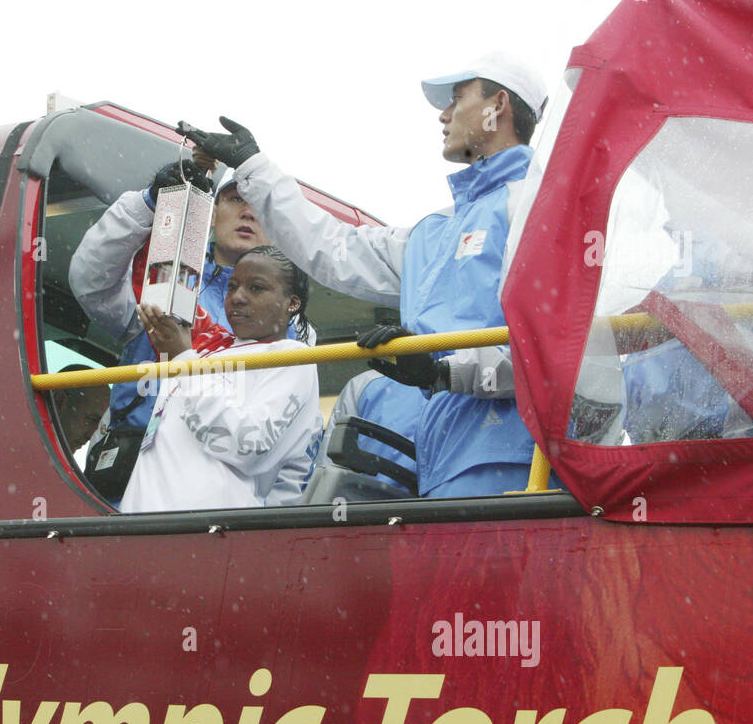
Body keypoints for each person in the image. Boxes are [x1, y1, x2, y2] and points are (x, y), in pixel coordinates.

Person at [179, 52, 551, 498]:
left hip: (516, 465)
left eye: (456, 98)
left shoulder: (538, 206)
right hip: (439, 467)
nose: (444, 115)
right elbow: (334, 248)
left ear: (499, 106)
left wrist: (443, 369)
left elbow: (559, 349)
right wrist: (253, 166)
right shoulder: (434, 232)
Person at [68, 152, 280, 501]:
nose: (248, 211)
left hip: (224, 497)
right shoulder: (162, 276)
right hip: (134, 481)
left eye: (259, 204)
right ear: (210, 214)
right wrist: (150, 202)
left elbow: (291, 447)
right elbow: (90, 279)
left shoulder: (293, 327)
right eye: (236, 198)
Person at [119, 246, 323, 513]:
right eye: (232, 286)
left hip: (210, 533)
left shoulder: (292, 357)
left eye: (256, 288)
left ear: (292, 303)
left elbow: (246, 446)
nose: (237, 297)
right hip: (139, 527)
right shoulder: (206, 350)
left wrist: (183, 361)